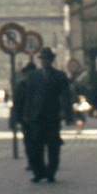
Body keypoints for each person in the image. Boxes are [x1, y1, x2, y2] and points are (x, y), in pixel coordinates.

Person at [13, 47, 74, 183]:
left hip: (53, 115)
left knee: (53, 145)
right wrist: (26, 114)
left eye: (47, 59)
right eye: (42, 59)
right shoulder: (34, 76)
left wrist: (65, 112)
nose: (44, 61)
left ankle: (51, 172)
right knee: (36, 145)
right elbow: (29, 96)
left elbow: (66, 96)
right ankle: (39, 172)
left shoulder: (59, 76)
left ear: (51, 60)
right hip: (37, 115)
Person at [9, 60, 37, 166]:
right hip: (26, 119)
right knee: (28, 141)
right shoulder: (21, 86)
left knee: (37, 141)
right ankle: (31, 162)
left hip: (38, 118)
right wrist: (13, 119)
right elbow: (16, 104)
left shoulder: (40, 86)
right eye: (27, 73)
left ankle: (36, 162)